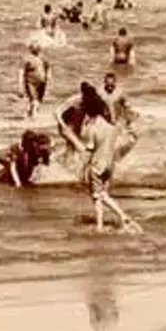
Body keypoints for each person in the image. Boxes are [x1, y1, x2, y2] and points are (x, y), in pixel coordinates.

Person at [68, 91, 142, 234]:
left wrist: (82, 170)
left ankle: (124, 217)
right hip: (109, 165)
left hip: (97, 166)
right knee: (97, 196)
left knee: (100, 196)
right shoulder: (110, 127)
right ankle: (100, 225)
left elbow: (89, 150)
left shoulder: (92, 128)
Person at [20, 42, 50, 118]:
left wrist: (48, 78)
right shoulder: (27, 59)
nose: (37, 49)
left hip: (42, 82)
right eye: (34, 48)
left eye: (38, 48)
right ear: (31, 49)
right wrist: (20, 85)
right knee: (33, 99)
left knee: (39, 100)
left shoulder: (43, 58)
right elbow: (21, 72)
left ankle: (30, 113)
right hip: (30, 82)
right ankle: (34, 115)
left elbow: (48, 68)